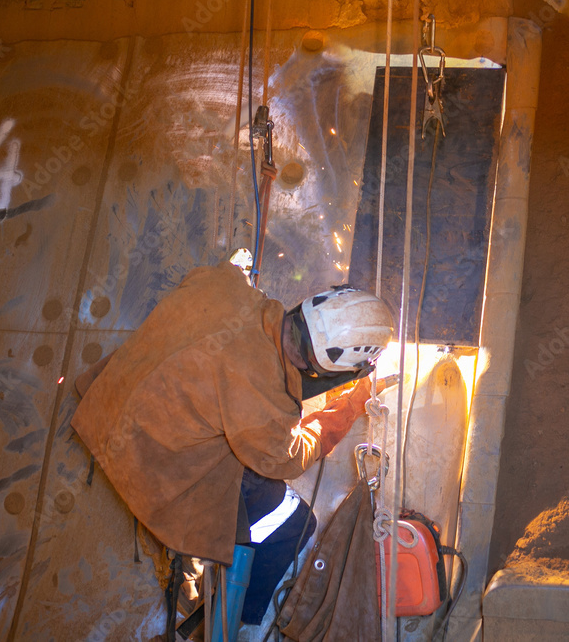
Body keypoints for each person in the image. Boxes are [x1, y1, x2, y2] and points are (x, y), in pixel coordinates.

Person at [70, 260, 394, 630]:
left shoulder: (225, 281)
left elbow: (246, 353)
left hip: (108, 404)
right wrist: (351, 403)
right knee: (295, 522)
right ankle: (210, 625)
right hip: (146, 463)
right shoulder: (264, 406)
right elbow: (289, 456)